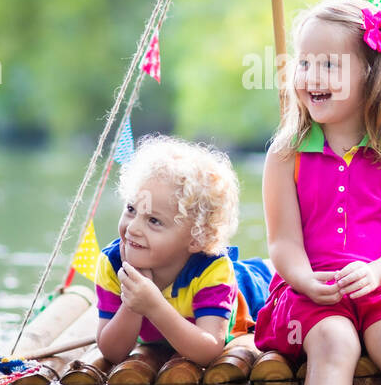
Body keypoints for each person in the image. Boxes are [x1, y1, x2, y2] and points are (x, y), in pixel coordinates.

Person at [254, 0, 381, 385]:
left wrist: (376, 272)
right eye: (305, 63)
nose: (311, 76)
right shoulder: (285, 155)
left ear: (369, 73)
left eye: (329, 65)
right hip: (312, 290)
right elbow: (283, 243)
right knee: (333, 342)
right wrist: (305, 280)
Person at [94, 135, 271, 367]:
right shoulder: (113, 263)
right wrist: (132, 303)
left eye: (154, 221)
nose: (133, 228)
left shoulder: (213, 269)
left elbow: (209, 351)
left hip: (250, 292)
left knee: (271, 279)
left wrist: (153, 306)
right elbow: (112, 353)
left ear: (197, 238)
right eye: (131, 209)